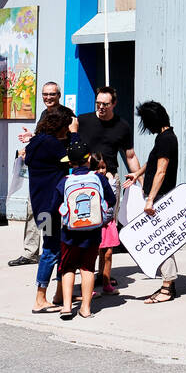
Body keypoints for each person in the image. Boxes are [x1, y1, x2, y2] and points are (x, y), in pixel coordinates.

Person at [77, 87, 138, 285]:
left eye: (105, 104)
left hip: (110, 181)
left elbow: (130, 155)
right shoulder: (83, 120)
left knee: (107, 228)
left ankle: (103, 274)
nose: (101, 107)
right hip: (86, 182)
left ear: (113, 104)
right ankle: (86, 269)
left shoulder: (122, 126)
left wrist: (139, 179)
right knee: (86, 226)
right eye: (98, 104)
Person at [11, 82, 75, 266]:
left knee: (55, 217)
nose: (48, 97)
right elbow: (42, 141)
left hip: (56, 177)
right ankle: (32, 252)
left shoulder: (67, 115)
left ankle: (58, 252)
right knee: (35, 212)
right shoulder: (44, 115)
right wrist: (31, 141)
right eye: (45, 94)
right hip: (40, 179)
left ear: (59, 95)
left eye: (52, 94)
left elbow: (68, 145)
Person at [57, 141, 116, 320]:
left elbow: (54, 205)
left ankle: (67, 307)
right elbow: (111, 200)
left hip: (70, 233)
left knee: (67, 268)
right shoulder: (98, 178)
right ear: (89, 159)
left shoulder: (65, 181)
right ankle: (86, 309)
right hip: (93, 232)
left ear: (70, 163)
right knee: (87, 268)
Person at [129, 100, 180, 303]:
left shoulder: (166, 139)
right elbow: (153, 161)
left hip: (159, 197)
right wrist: (137, 174)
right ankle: (169, 284)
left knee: (161, 242)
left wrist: (150, 199)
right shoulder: (163, 137)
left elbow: (161, 169)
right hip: (156, 196)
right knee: (160, 240)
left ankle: (167, 287)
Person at [23, 111, 74, 313]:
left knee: (55, 247)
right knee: (52, 249)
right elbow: (73, 160)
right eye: (66, 127)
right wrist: (76, 135)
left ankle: (59, 294)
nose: (67, 131)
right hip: (53, 207)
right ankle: (40, 298)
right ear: (59, 127)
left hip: (40, 208)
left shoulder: (35, 143)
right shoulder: (52, 144)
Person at [89, 152, 123, 294]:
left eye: (103, 167)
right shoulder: (91, 180)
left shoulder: (108, 180)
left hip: (108, 222)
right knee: (92, 255)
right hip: (95, 224)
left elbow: (113, 197)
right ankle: (89, 287)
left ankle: (106, 283)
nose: (102, 171)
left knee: (108, 253)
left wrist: (111, 181)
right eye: (98, 168)